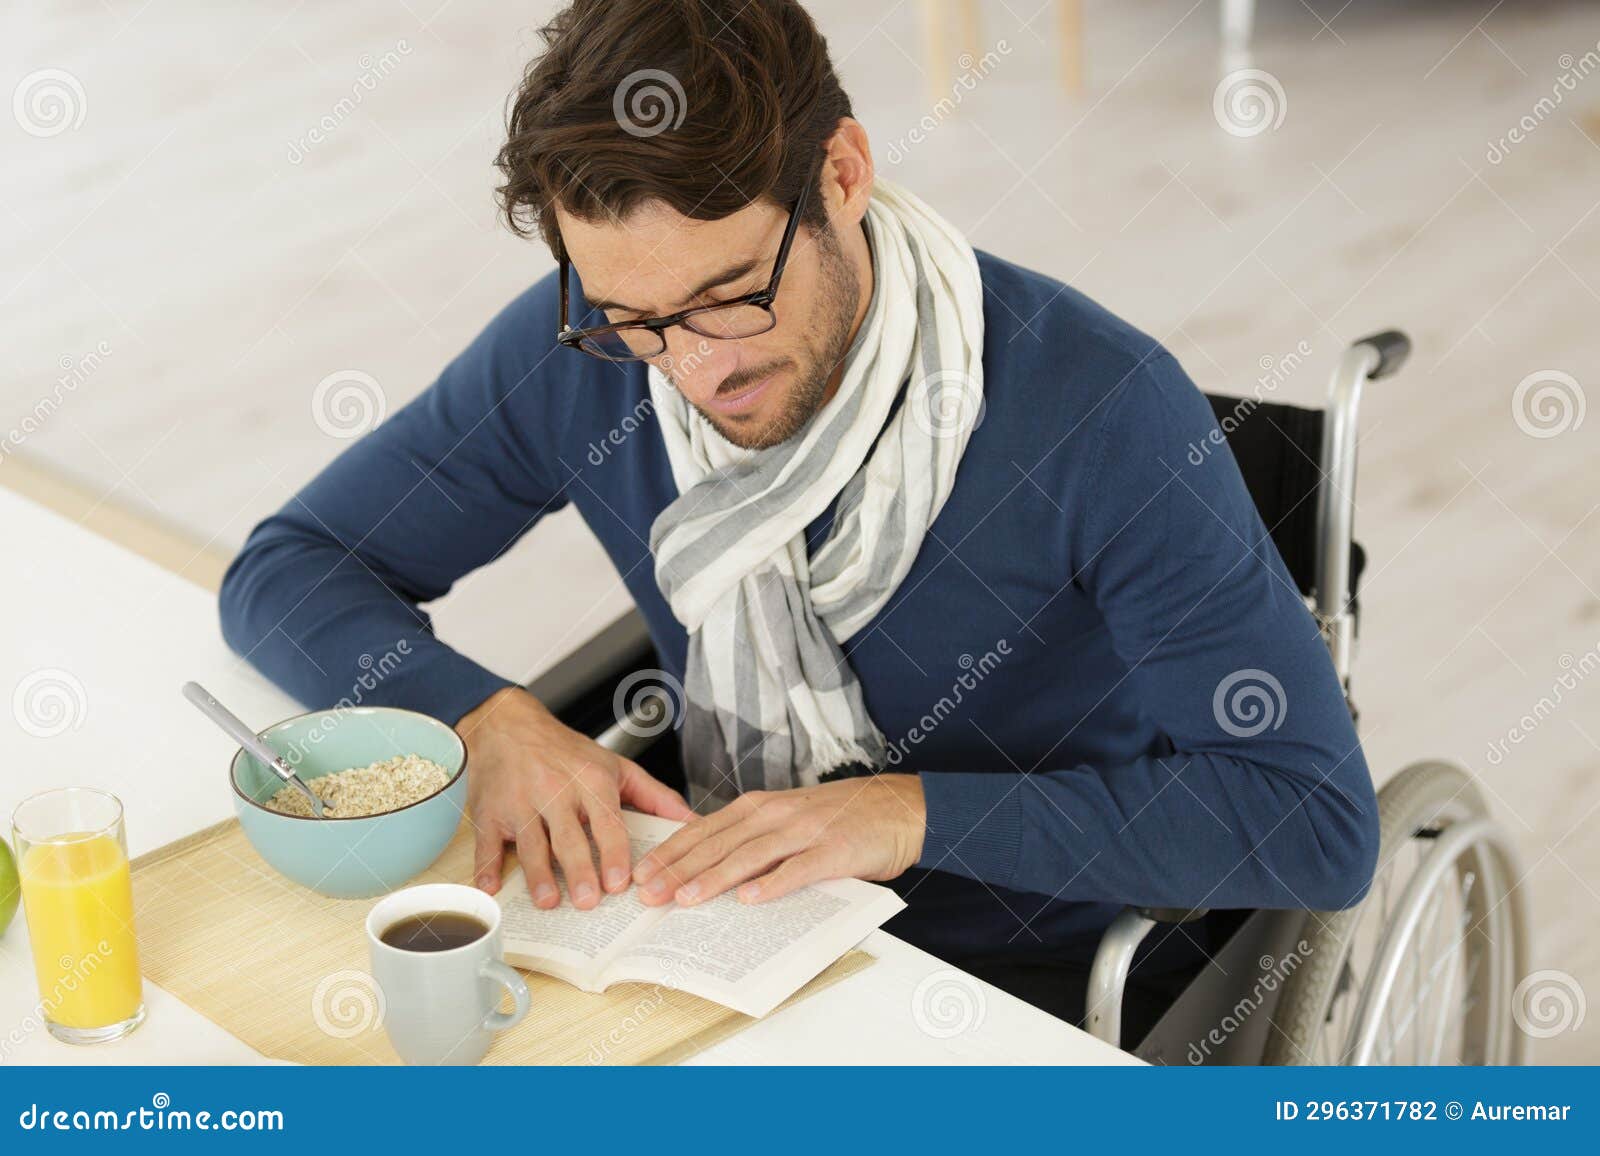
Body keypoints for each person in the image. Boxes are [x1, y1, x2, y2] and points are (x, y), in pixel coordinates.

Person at [220, 0, 1378, 1032]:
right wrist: (481, 716)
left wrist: (907, 814)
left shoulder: (1101, 413)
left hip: (1007, 991)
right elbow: (288, 569)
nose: (690, 370)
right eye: (633, 316)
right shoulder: (583, 352)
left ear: (842, 173)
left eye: (729, 297)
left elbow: (1313, 819)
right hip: (713, 927)